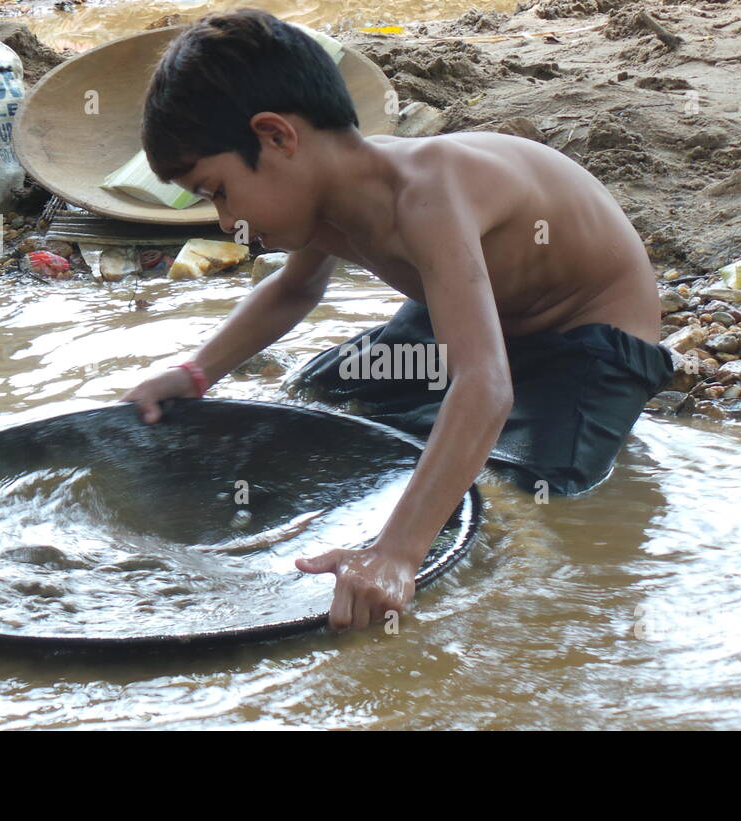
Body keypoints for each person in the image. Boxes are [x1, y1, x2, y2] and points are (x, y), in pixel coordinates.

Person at [123, 8, 675, 632]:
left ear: (278, 137)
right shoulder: (324, 199)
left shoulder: (426, 195)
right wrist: (194, 375)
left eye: (217, 190)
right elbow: (293, 290)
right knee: (320, 399)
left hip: (587, 339)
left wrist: (396, 553)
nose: (225, 222)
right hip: (482, 312)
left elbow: (485, 384)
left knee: (512, 488)